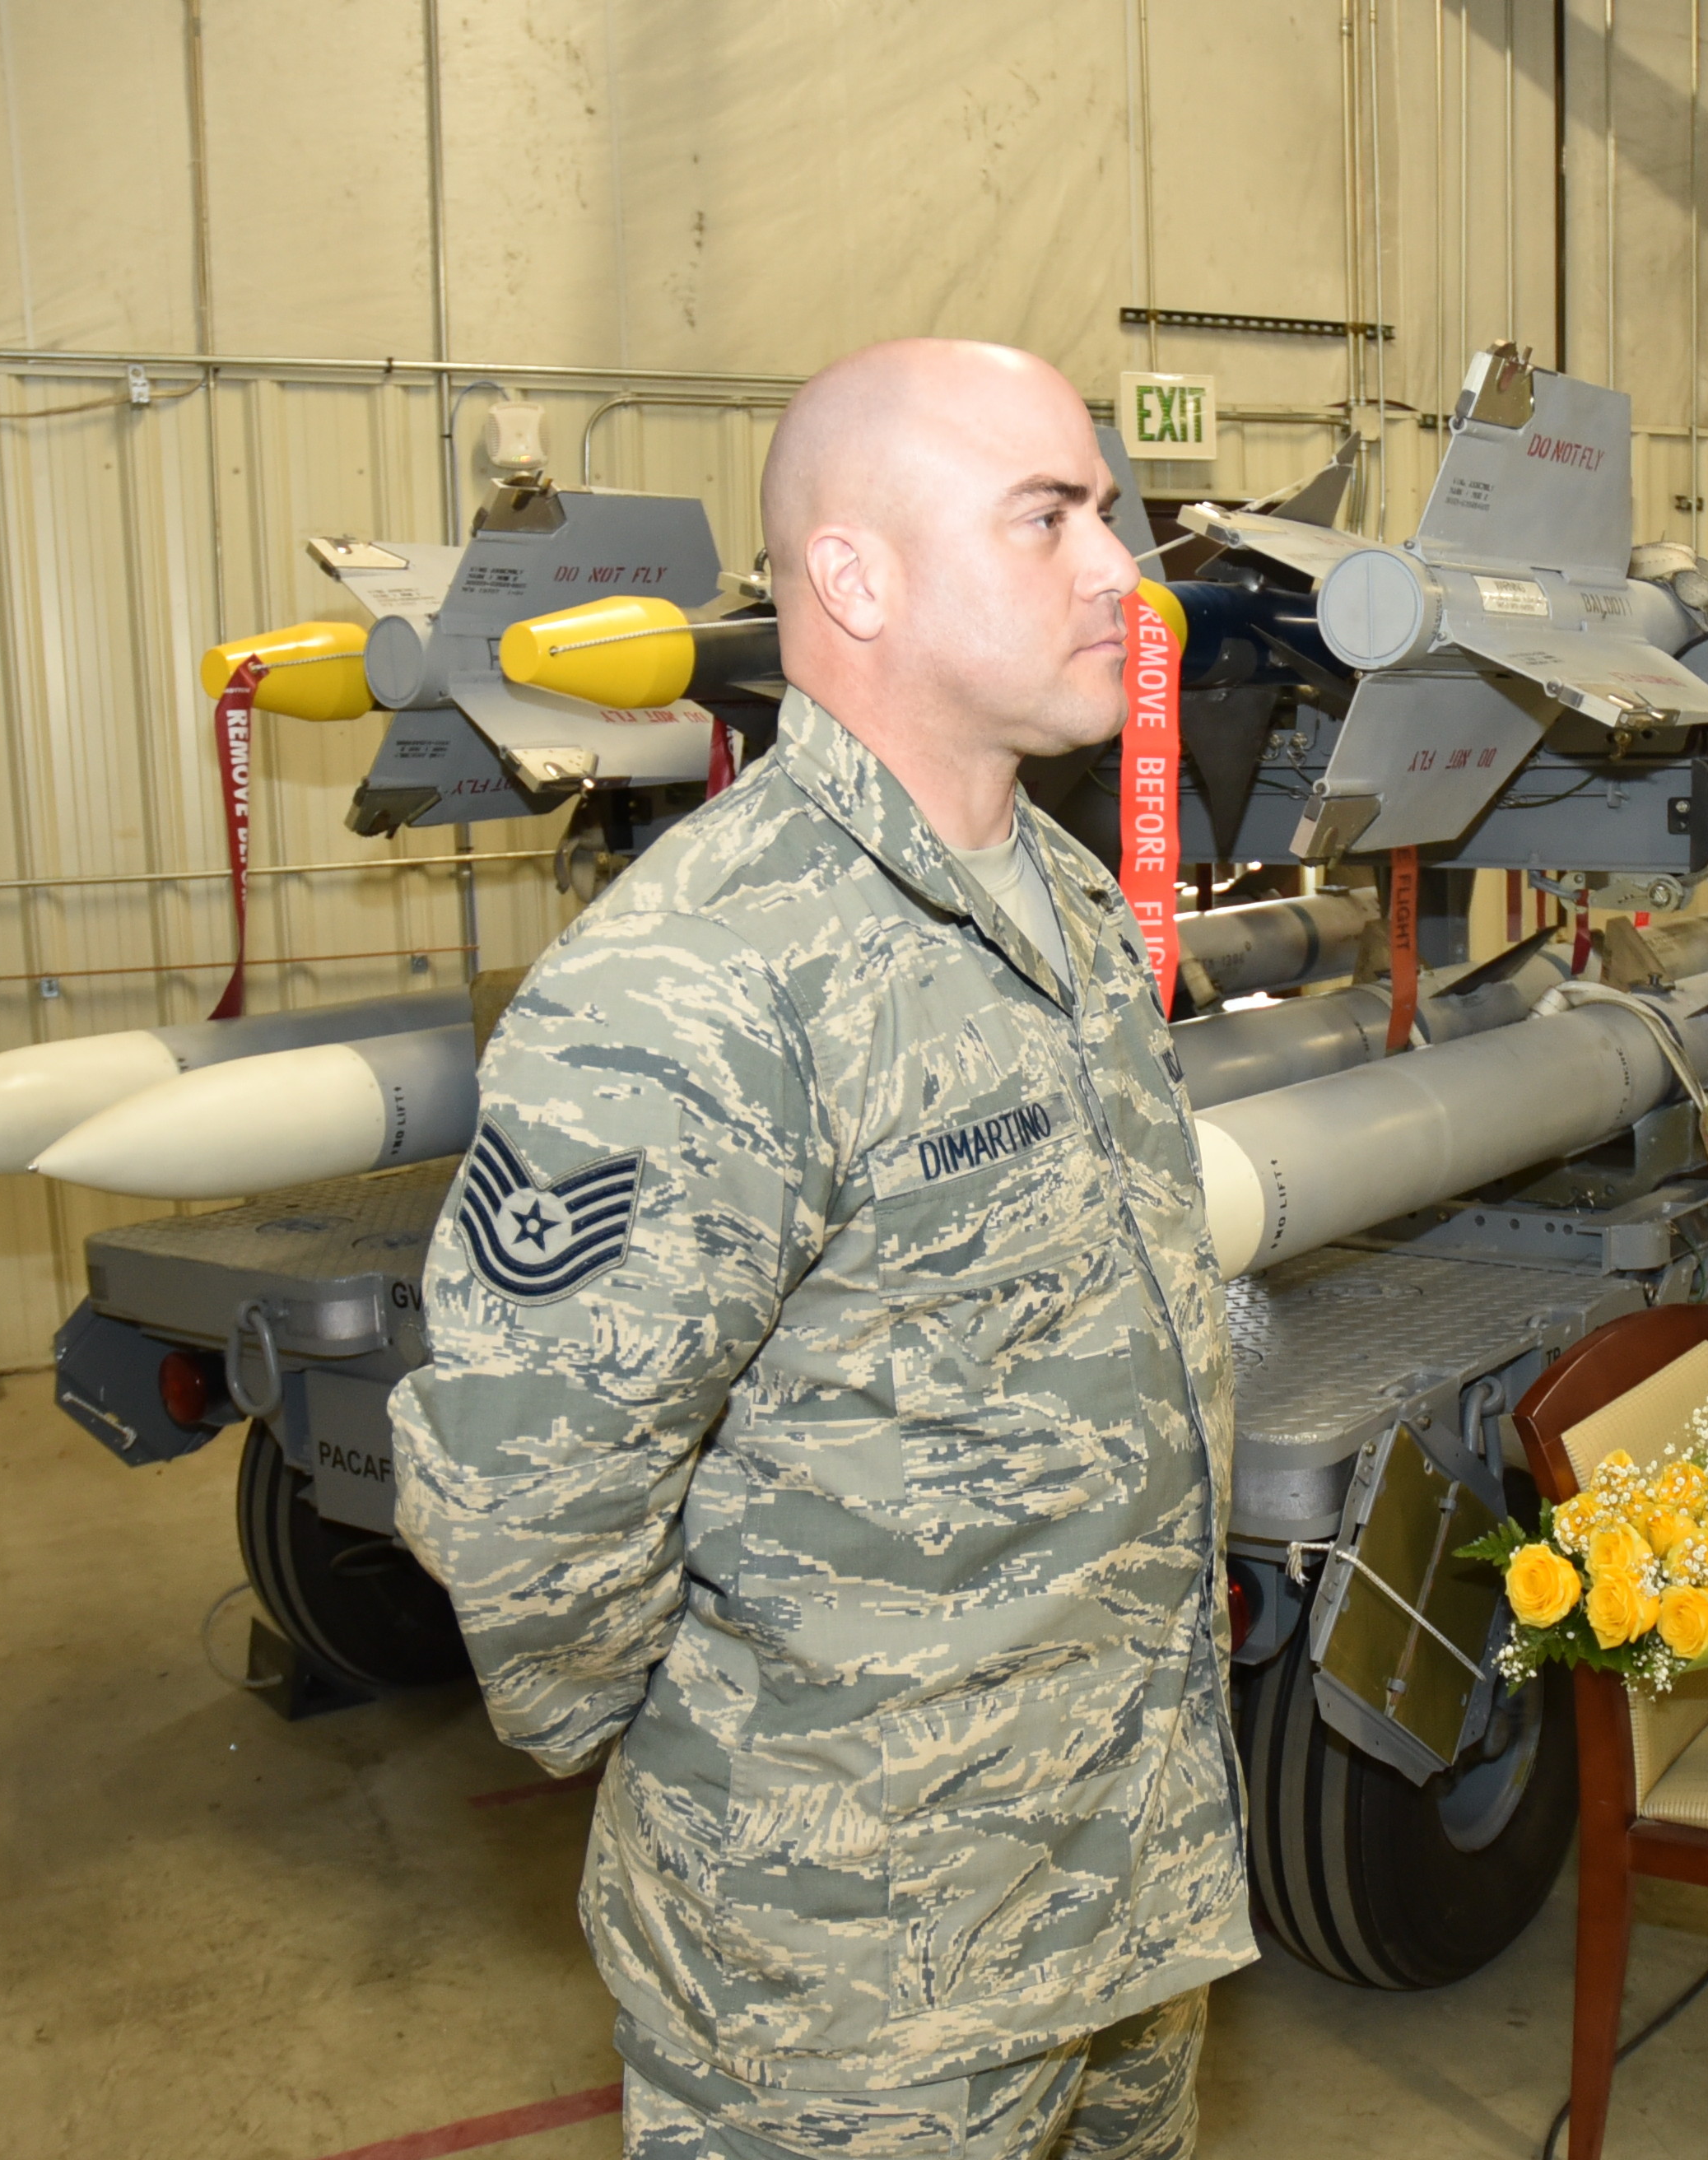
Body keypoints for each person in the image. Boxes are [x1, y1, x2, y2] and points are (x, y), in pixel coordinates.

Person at [390, 339, 1250, 2159]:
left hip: (1128, 1888)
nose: (1122, 573)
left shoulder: (1071, 902)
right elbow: (528, 1513)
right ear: (853, 577)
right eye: (1049, 520)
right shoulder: (695, 983)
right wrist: (755, 1750)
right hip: (859, 1978)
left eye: (1107, 512)